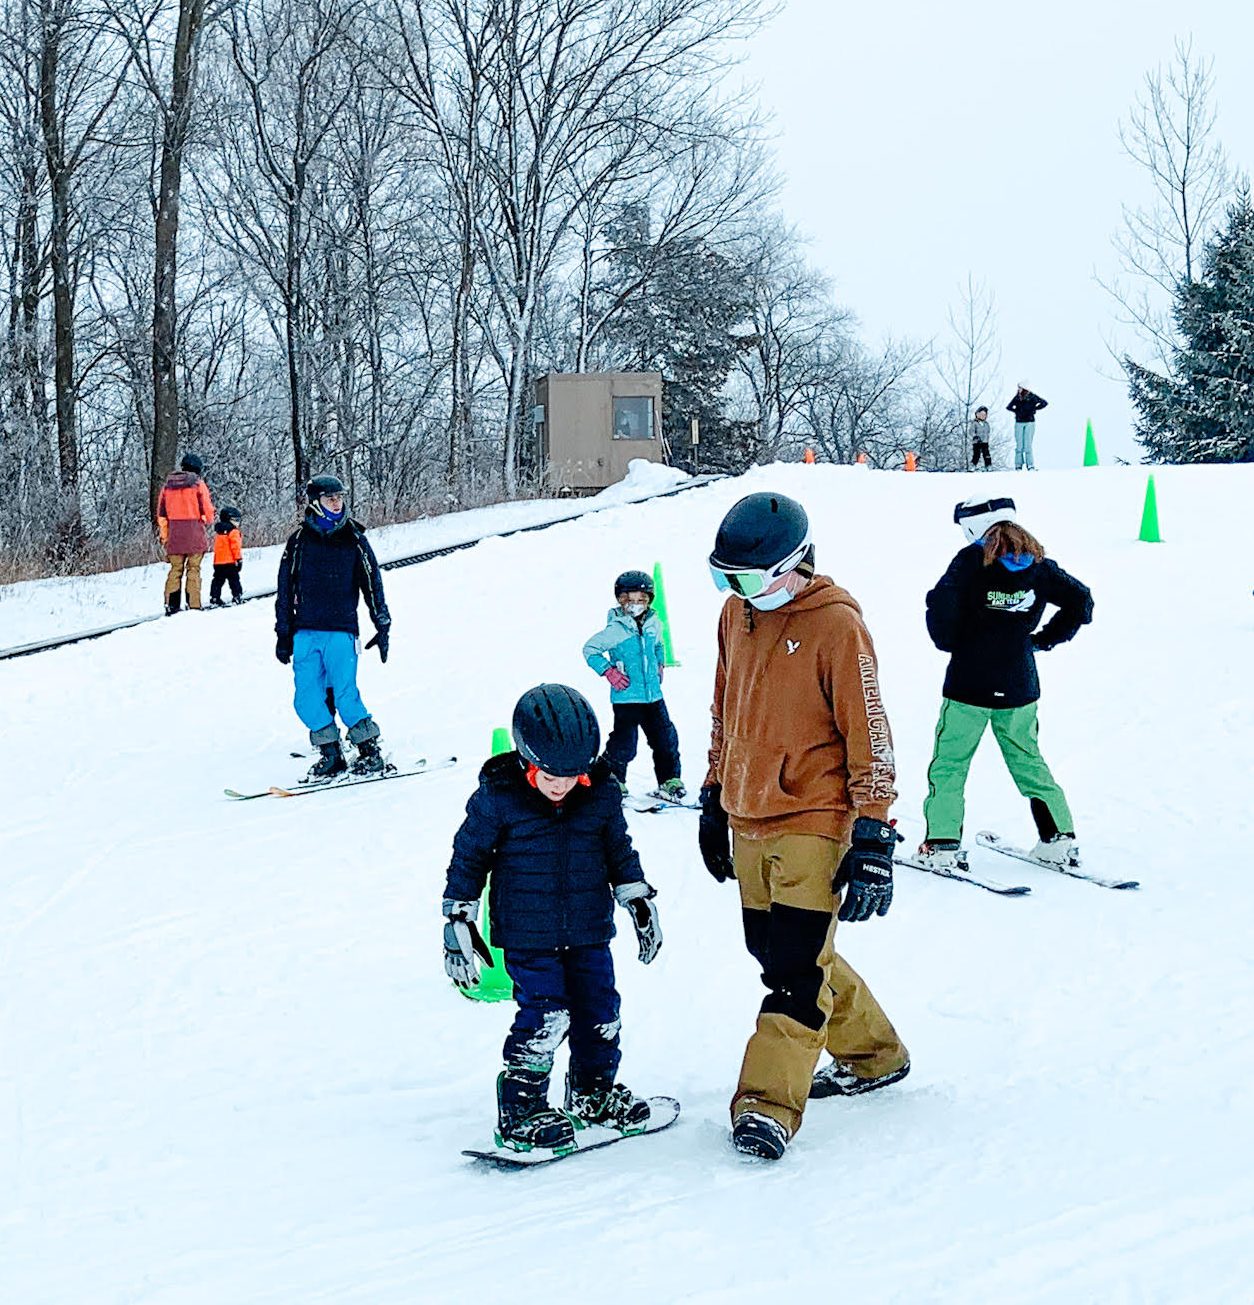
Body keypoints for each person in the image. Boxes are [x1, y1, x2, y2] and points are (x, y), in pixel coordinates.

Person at [699, 492, 909, 1161]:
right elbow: (722, 710)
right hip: (748, 812)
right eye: (722, 576)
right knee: (781, 949)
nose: (734, 590)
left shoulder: (836, 625)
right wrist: (713, 794)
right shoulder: (737, 614)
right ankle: (875, 1054)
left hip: (814, 817)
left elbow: (870, 732)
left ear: (794, 565)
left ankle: (767, 1103)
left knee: (792, 970)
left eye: (747, 578)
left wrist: (873, 831)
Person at [442, 683, 662, 1153]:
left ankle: (592, 1094)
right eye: (550, 774)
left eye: (572, 774)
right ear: (525, 757)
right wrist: (457, 920)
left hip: (588, 928)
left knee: (600, 1013)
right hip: (528, 933)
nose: (561, 784)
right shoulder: (498, 797)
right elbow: (468, 858)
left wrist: (638, 900)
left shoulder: (600, 793)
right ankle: (521, 1110)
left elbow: (618, 851)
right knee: (547, 1015)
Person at [916, 496, 1094, 872]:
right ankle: (1059, 839)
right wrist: (1043, 638)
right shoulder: (1039, 564)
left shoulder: (969, 561)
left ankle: (942, 845)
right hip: (1019, 684)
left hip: (969, 685)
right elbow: (1081, 600)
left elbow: (942, 609)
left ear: (972, 527)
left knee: (950, 764)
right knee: (1028, 760)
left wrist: (953, 640)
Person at [275, 474, 392, 779]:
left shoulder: (354, 539)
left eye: (340, 498)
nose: (337, 503)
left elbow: (372, 584)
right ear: (315, 503)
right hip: (305, 632)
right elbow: (285, 590)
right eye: (330, 498)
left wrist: (382, 623)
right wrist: (283, 633)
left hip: (341, 630)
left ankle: (369, 749)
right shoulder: (299, 542)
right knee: (306, 698)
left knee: (344, 694)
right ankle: (331, 753)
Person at [582, 569, 683, 800]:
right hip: (627, 696)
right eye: (629, 600)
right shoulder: (616, 629)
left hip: (653, 696)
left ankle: (669, 780)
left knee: (665, 738)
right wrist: (608, 672)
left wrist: (660, 663)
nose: (635, 605)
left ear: (648, 601)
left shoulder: (653, 623)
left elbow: (658, 644)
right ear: (620, 600)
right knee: (625, 743)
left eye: (641, 600)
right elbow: (590, 649)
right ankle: (613, 778)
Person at [156, 452, 214, 614]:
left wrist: (165, 537)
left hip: (174, 536)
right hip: (194, 535)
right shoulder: (197, 484)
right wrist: (205, 520)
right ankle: (193, 605)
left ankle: (171, 605)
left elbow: (161, 516)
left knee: (175, 570)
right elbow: (208, 512)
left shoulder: (167, 486)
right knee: (193, 569)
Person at [1006, 382, 1047, 471]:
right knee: (1019, 445)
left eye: (1020, 387)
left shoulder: (1032, 396)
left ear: (1024, 388)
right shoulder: (1017, 397)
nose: (1018, 389)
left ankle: (1030, 465)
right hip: (1019, 423)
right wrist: (1017, 411)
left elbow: (1044, 403)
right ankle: (1018, 465)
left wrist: (1034, 409)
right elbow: (1009, 407)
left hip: (1030, 423)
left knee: (1028, 445)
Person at [209, 506, 244, 606]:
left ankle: (215, 597)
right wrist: (238, 559)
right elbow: (235, 547)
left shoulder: (219, 532)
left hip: (218, 562)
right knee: (234, 580)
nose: (238, 522)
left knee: (218, 580)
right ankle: (237, 596)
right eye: (236, 520)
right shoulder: (233, 532)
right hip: (230, 562)